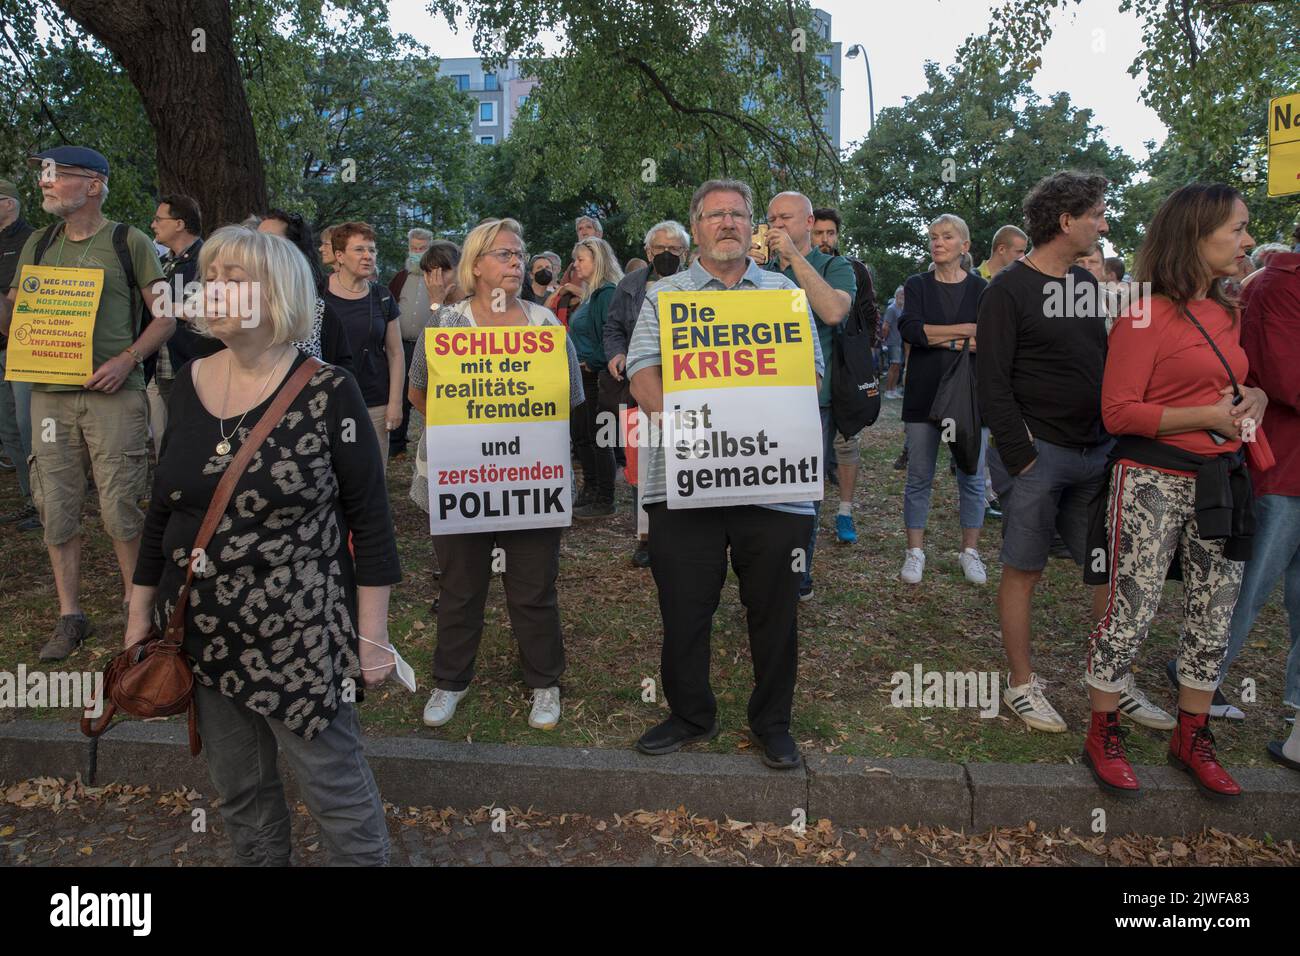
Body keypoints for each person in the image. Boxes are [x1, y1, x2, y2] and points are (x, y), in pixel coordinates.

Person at [130, 225, 400, 864]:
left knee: (337, 796)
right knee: (242, 797)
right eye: (210, 276)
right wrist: (139, 613)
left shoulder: (329, 391)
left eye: (233, 277)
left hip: (301, 637)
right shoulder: (188, 381)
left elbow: (373, 523)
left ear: (275, 293)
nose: (213, 288)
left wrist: (372, 639)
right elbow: (164, 509)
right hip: (202, 632)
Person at [627, 179, 824, 770]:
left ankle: (772, 723)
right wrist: (700, 434)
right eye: (716, 215)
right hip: (685, 481)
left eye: (739, 215)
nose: (728, 224)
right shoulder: (666, 296)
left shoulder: (784, 292)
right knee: (684, 608)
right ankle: (689, 714)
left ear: (753, 227)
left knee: (775, 608)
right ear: (698, 226)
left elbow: (811, 376)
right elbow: (642, 374)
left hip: (772, 480)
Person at [1084, 183, 1265, 799]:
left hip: (1222, 482)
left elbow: (1239, 381)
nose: (1246, 241)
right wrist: (1205, 419)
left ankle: (1192, 734)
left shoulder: (1232, 309)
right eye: (1237, 229)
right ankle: (1102, 728)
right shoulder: (1142, 311)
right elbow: (1117, 412)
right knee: (1131, 610)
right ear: (1196, 234)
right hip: (1151, 479)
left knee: (1214, 613)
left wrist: (1256, 399)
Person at [977, 171, 1169, 734]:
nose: (1104, 224)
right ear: (1066, 221)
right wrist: (1024, 456)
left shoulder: (1084, 290)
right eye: (1097, 214)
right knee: (1024, 569)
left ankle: (1115, 679)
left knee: (1104, 569)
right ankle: (1021, 685)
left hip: (1096, 454)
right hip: (1041, 457)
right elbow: (991, 384)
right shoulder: (1006, 291)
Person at [407, 218, 583, 732]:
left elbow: (569, 398)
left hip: (530, 480)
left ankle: (544, 685)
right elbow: (419, 391)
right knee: (460, 586)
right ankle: (450, 682)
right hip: (463, 480)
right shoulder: (446, 326)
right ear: (477, 263)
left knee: (533, 587)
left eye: (519, 254)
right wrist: (465, 436)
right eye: (505, 254)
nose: (517, 262)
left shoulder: (546, 326)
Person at [0, 146, 176, 660]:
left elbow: (166, 317)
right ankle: (69, 616)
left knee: (120, 503)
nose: (45, 184)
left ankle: (136, 613)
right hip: (48, 398)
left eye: (58, 175)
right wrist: (16, 304)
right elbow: (13, 323)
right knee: (54, 504)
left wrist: (128, 358)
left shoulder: (130, 241)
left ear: (94, 185)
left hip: (114, 397)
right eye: (44, 177)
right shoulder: (38, 241)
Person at [1216, 240, 1300, 767]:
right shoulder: (1276, 284)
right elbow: (1285, 379)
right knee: (1249, 584)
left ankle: (1296, 707)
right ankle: (1202, 674)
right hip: (1280, 464)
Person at [765, 192, 854, 596]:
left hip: (810, 401)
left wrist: (794, 259)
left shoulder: (833, 265)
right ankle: (766, 570)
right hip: (760, 398)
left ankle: (799, 574)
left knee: (804, 492)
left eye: (785, 217)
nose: (777, 225)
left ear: (808, 221)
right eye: (770, 219)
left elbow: (833, 311)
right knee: (763, 487)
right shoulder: (755, 269)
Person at [897, 214, 989, 587]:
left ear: (964, 246)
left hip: (969, 396)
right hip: (924, 394)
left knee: (972, 476)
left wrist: (938, 336)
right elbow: (911, 331)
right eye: (933, 237)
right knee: (919, 475)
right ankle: (915, 551)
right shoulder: (917, 284)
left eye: (947, 237)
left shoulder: (982, 289)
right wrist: (965, 332)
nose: (937, 243)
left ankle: (970, 552)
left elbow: (988, 339)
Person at [605, 221, 690, 568]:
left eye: (675, 249)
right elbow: (612, 327)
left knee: (686, 453)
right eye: (660, 248)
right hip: (638, 389)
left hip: (690, 388)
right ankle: (646, 537)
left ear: (685, 252)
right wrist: (616, 353)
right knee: (641, 465)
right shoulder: (628, 286)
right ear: (647, 251)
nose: (666, 254)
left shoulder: (700, 287)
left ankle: (688, 531)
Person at [810, 206, 882, 544]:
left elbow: (869, 311)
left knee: (848, 441)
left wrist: (863, 356)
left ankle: (845, 511)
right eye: (818, 233)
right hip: (817, 370)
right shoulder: (796, 268)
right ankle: (809, 515)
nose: (825, 240)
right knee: (814, 447)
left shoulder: (853, 269)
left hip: (847, 367)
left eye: (830, 233)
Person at [322, 222, 402, 467]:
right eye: (359, 250)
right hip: (328, 401)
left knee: (373, 471)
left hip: (374, 401)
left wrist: (395, 404)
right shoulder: (317, 294)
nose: (368, 256)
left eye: (372, 250)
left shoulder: (383, 296)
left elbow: (396, 353)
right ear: (339, 256)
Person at [148, 194, 215, 456]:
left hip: (193, 361)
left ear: (179, 224)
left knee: (196, 434)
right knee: (165, 438)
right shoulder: (164, 263)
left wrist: (169, 308)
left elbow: (209, 311)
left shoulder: (208, 259)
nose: (153, 224)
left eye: (158, 219)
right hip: (160, 363)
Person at [567, 236, 623, 518]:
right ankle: (591, 489)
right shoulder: (592, 294)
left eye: (580, 259)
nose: (575, 265)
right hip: (584, 374)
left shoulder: (607, 293)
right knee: (584, 436)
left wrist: (592, 362)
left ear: (597, 261)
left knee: (600, 438)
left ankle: (605, 497)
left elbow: (611, 334)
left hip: (597, 375)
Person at [257, 211, 354, 369]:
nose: (257, 248)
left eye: (269, 241)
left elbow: (341, 377)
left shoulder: (319, 313)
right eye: (255, 240)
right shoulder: (240, 306)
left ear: (295, 252)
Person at [0, 177, 37, 530]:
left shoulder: (33, 240)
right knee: (8, 427)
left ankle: (44, 504)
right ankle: (29, 499)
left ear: (8, 203)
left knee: (28, 427)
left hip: (24, 347)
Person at [386, 228, 433, 459]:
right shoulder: (400, 278)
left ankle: (433, 442)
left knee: (430, 394)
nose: (417, 253)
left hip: (430, 346)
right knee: (401, 394)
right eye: (413, 248)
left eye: (421, 249)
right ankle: (397, 445)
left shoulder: (437, 277)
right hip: (403, 346)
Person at [880, 286, 905, 399]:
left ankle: (894, 389)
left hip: (901, 342)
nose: (903, 296)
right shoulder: (892, 308)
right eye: (901, 294)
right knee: (893, 366)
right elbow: (885, 326)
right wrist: (884, 340)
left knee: (898, 366)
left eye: (904, 295)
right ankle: (888, 391)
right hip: (893, 342)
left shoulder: (902, 308)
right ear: (896, 295)